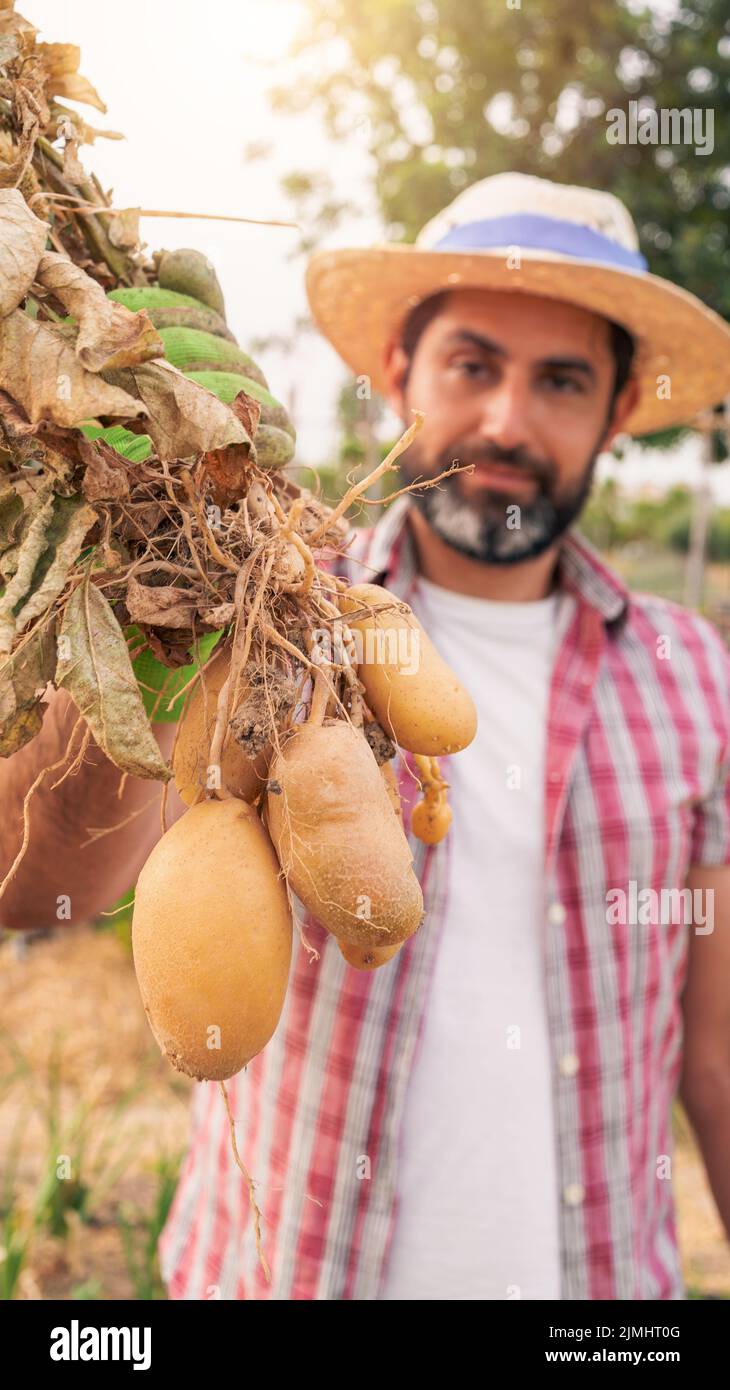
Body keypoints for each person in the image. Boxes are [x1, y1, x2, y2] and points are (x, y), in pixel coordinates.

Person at [2, 173, 730, 1300]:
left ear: (619, 407)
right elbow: (36, 883)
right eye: (473, 365)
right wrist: (159, 571)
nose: (504, 420)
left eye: (562, 380)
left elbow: (717, 1051)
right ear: (399, 373)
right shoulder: (255, 615)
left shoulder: (701, 679)